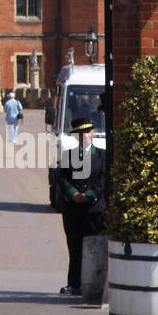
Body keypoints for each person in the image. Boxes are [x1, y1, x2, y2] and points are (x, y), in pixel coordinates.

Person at [56, 115, 106, 296]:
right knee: (75, 247)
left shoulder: (102, 156)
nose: (84, 136)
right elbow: (62, 179)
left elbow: (103, 180)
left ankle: (95, 283)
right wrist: (73, 194)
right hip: (73, 209)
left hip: (94, 209)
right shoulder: (68, 156)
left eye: (87, 132)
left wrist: (90, 195)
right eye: (80, 133)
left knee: (94, 245)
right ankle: (74, 283)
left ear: (93, 133)